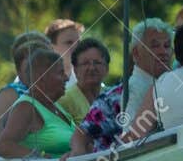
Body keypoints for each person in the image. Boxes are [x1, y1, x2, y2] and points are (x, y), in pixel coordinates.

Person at [69, 19, 172, 154]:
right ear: (136, 53)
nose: (162, 51)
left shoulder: (173, 85)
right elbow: (80, 135)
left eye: (167, 46)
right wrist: (77, 159)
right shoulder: (114, 97)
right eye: (154, 46)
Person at [0, 45, 76, 159]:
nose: (66, 78)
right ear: (42, 77)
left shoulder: (55, 106)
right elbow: (3, 147)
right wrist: (42, 157)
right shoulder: (26, 107)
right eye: (61, 73)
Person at [59, 36, 110, 123]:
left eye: (97, 63)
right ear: (75, 69)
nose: (92, 68)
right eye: (85, 63)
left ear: (107, 68)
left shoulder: (112, 97)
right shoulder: (64, 101)